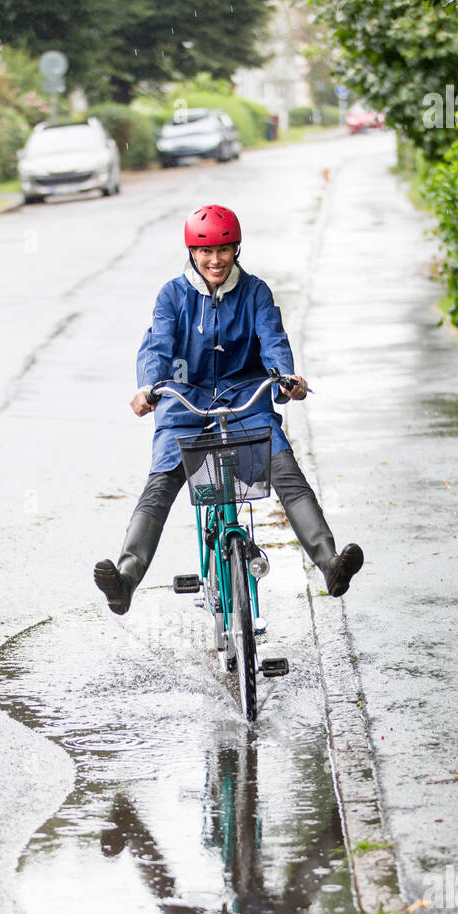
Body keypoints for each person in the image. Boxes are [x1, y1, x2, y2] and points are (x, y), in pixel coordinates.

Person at [94, 203, 363, 616]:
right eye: (205, 251)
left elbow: (272, 339)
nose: (214, 260)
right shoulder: (172, 295)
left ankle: (329, 565)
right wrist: (148, 387)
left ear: (237, 249)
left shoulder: (255, 292)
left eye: (224, 249)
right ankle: (126, 579)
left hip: (247, 402)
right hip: (185, 405)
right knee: (160, 487)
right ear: (191, 253)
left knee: (287, 474)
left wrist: (286, 378)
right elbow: (158, 345)